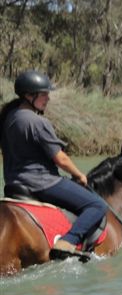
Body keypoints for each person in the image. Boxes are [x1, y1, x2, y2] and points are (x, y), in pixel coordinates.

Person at [0, 69, 107, 258]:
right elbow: (60, 159)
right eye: (44, 94)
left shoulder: (9, 118)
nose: (48, 99)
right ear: (29, 95)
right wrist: (79, 175)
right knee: (97, 205)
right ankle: (68, 241)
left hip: (13, 183)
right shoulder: (37, 122)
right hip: (42, 183)